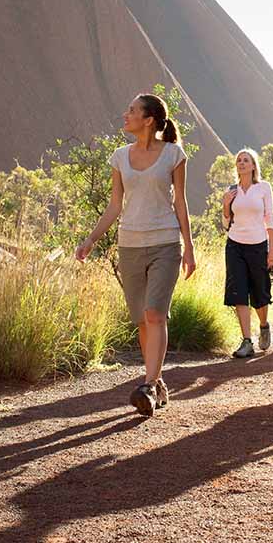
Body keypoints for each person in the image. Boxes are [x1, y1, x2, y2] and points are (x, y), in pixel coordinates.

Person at [75, 93, 196, 416]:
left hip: (165, 242)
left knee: (155, 313)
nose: (125, 115)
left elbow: (180, 202)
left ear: (149, 120)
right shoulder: (119, 156)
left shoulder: (173, 154)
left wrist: (189, 247)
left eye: (132, 111)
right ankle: (157, 383)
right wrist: (90, 240)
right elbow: (115, 205)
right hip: (129, 244)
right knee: (142, 319)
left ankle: (148, 385)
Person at [222, 149, 273, 358]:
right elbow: (225, 223)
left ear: (253, 166)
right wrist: (226, 204)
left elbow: (269, 220)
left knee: (260, 293)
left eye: (246, 160)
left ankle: (264, 325)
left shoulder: (263, 187)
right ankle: (247, 341)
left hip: (258, 245)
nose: (242, 163)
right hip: (235, 245)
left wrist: (271, 251)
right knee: (239, 291)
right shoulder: (231, 190)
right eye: (239, 160)